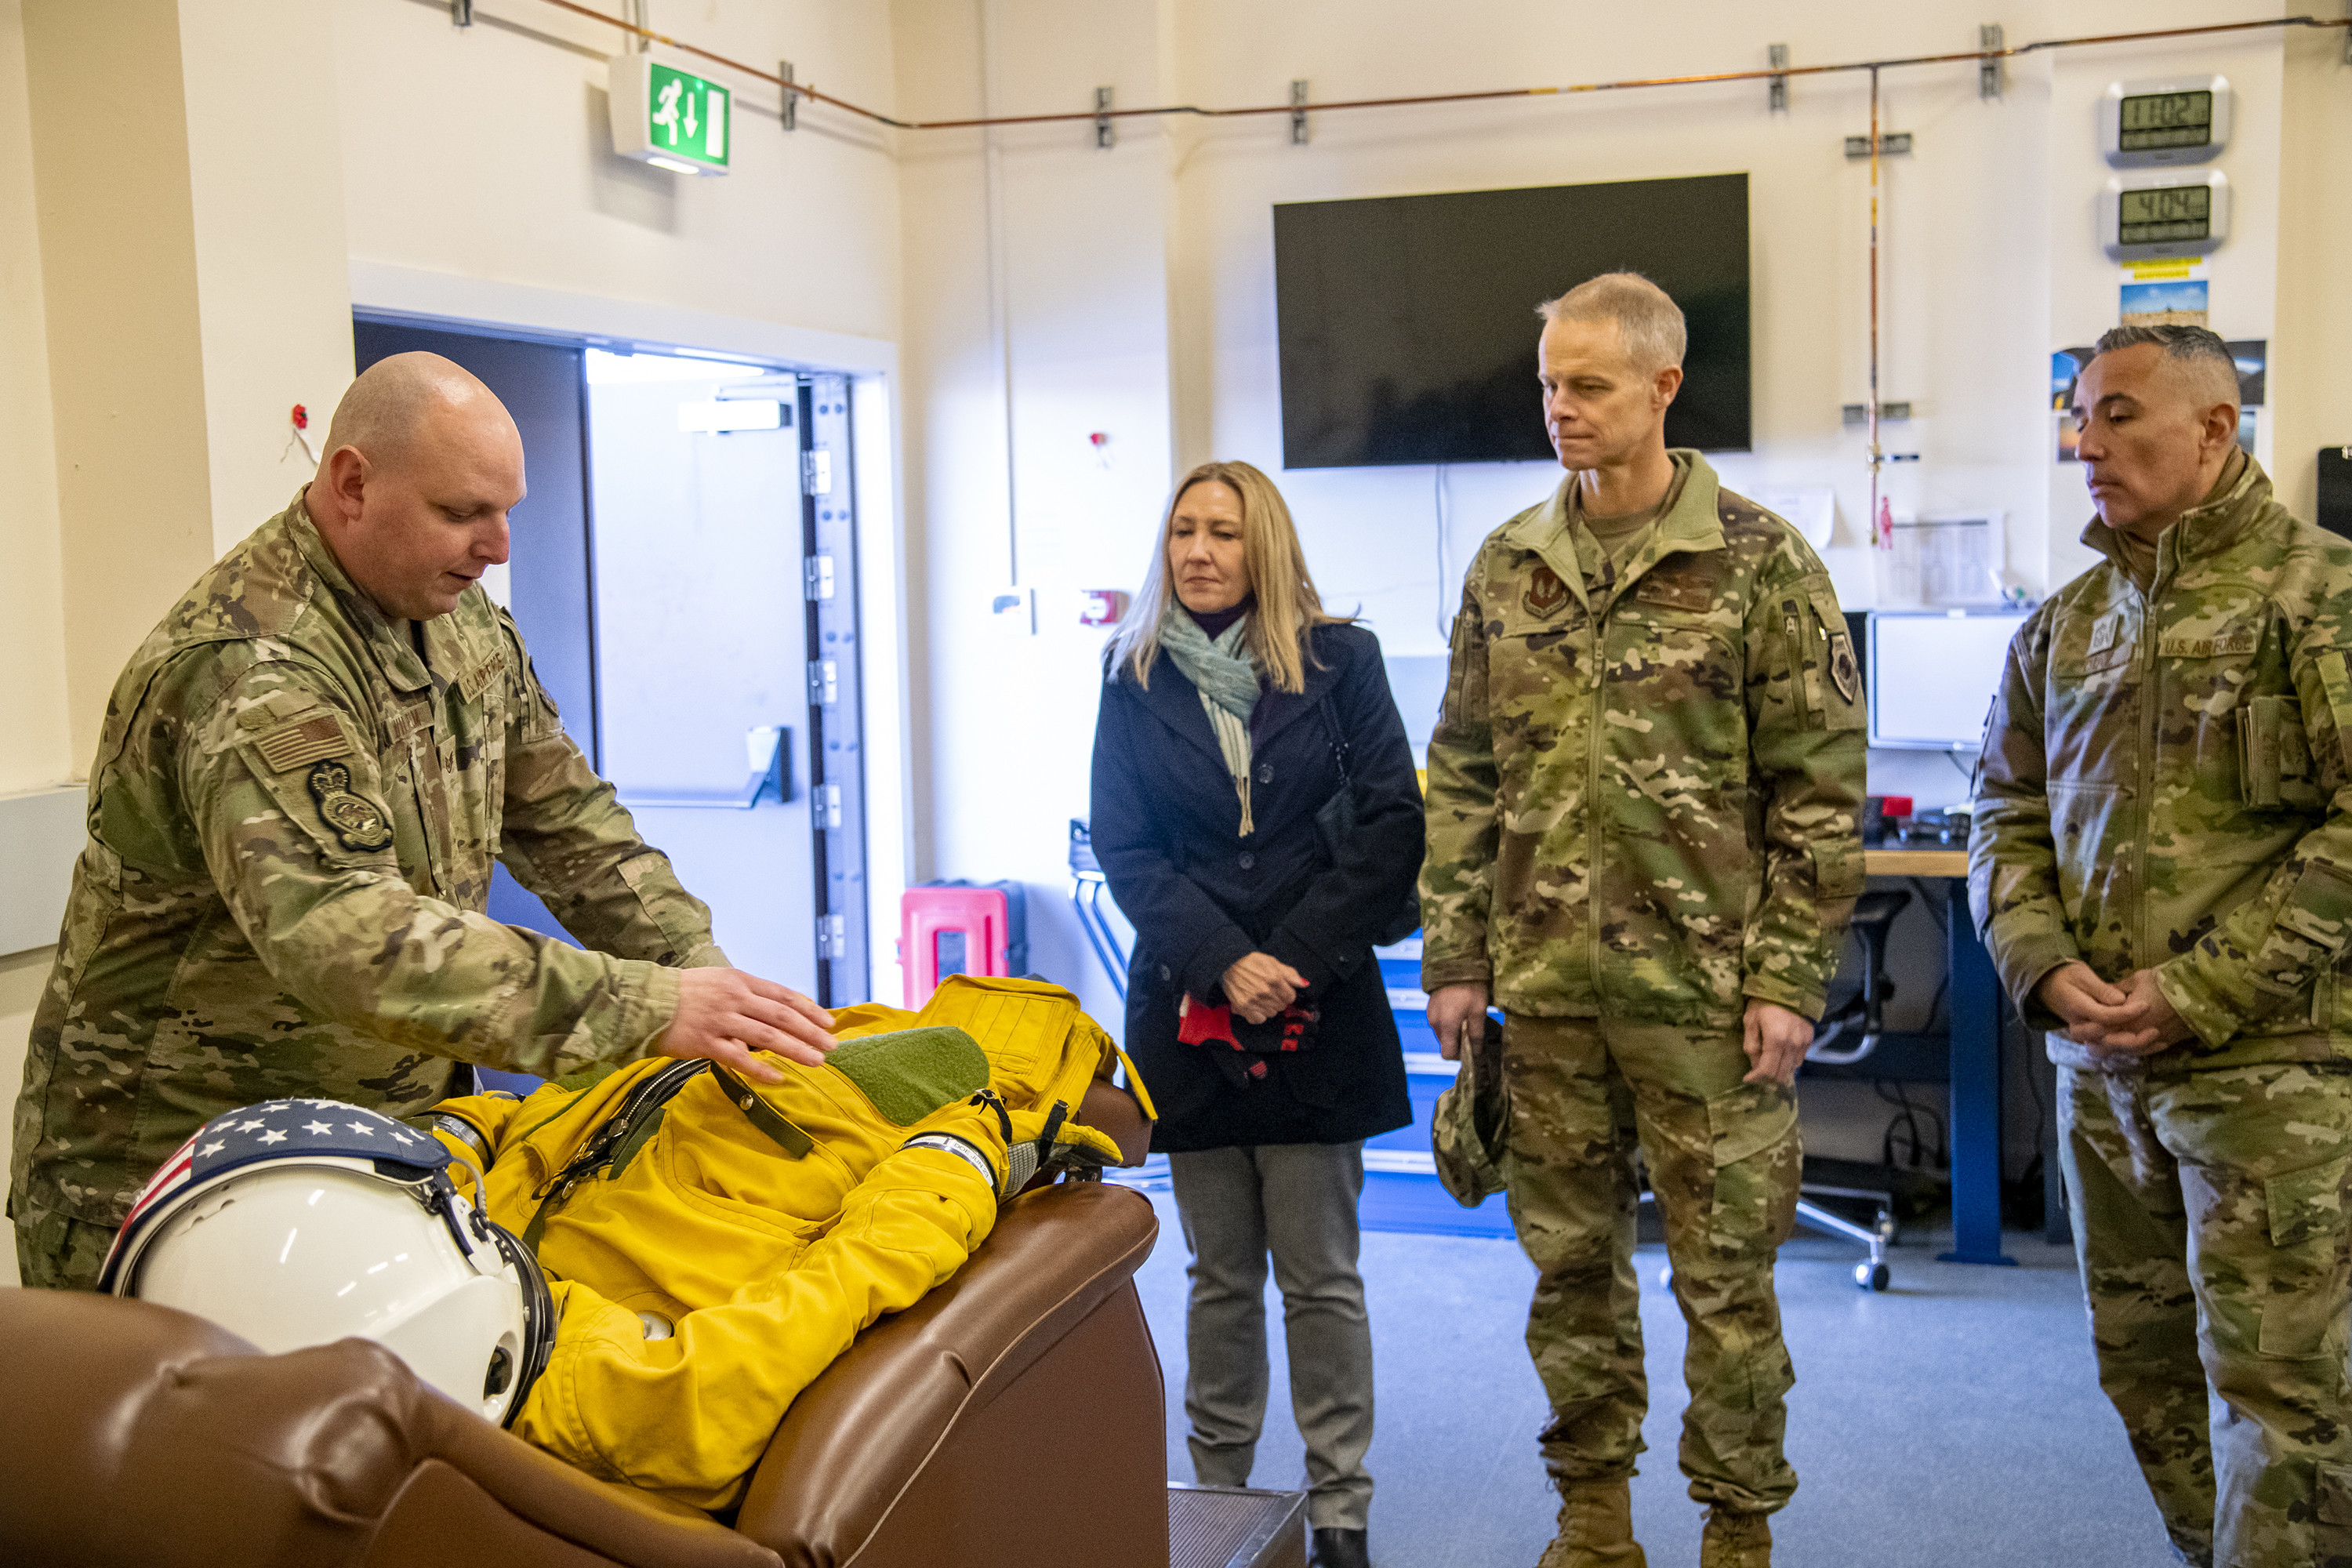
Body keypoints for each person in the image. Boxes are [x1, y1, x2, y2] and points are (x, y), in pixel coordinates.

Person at [10, 353, 836, 1292]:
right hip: (172, 1183)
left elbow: (569, 820)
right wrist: (646, 1008)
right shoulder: (253, 667)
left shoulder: (457, 617)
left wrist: (706, 981)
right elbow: (346, 938)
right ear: (352, 483)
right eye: (462, 511)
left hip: (363, 1162)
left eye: (506, 510)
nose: (498, 546)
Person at [1421, 273, 1865, 1568]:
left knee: (1726, 1286)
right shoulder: (1508, 565)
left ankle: (1737, 1530)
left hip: (1708, 1003)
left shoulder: (1762, 560)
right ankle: (1593, 1520)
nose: (1560, 408)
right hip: (1549, 997)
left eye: (1589, 385)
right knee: (1569, 1273)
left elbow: (1819, 787)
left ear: (1663, 387)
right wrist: (1454, 955)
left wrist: (1788, 978)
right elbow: (1463, 772)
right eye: (1549, 385)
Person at [102, 973, 1155, 1515]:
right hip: (845, 1129)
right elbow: (851, 1276)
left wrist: (455, 1144)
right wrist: (962, 1154)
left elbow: (538, 1130)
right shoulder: (619, 1393)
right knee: (971, 1051)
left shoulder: (452, 1290)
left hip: (714, 1108)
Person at [1972, 323, 2352, 1568]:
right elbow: (2002, 810)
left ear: (2215, 428)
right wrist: (2038, 961)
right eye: (2079, 417)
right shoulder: (2065, 624)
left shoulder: (2322, 596)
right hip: (2100, 1076)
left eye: (2118, 414)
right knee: (2146, 1377)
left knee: (2284, 1401)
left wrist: (2204, 987)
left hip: (2270, 1077)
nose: (2086, 443)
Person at [1090, 459, 1424, 1568]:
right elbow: (1126, 847)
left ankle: (1341, 1513)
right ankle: (1216, 1498)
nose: (1198, 550)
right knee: (1219, 1278)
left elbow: (1392, 825)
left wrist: (1289, 960)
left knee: (1323, 1279)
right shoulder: (1132, 672)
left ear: (1262, 546)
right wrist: (1227, 962)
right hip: (1192, 1015)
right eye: (1183, 529)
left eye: (1223, 532)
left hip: (1317, 1009)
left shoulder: (1342, 662)